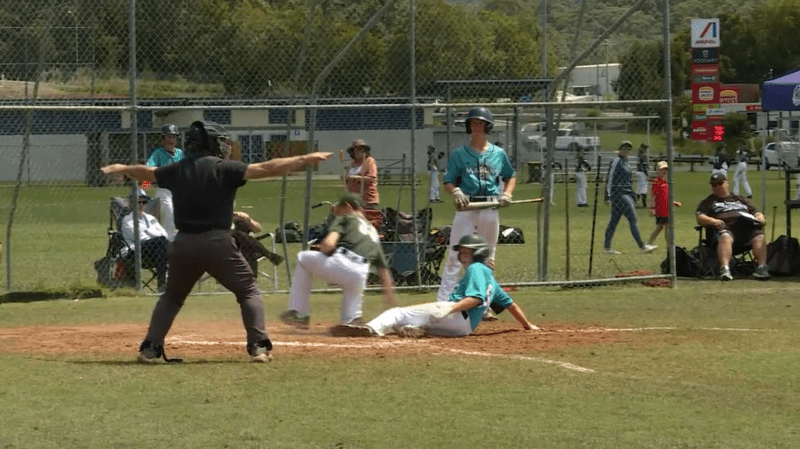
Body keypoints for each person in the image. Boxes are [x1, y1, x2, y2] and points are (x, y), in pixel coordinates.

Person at [101, 120, 332, 363]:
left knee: (171, 297)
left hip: (183, 243)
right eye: (220, 142)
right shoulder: (224, 168)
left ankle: (150, 349)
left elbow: (147, 173)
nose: (225, 146)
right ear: (210, 143)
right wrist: (304, 159)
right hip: (217, 243)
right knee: (248, 291)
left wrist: (121, 168)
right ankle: (258, 346)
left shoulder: (178, 168)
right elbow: (265, 168)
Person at [329, 234, 539, 338]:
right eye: (461, 250)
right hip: (463, 329)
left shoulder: (476, 269)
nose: (461, 254)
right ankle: (414, 330)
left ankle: (370, 329)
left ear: (478, 253)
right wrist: (528, 325)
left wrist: (450, 308)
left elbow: (474, 299)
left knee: (397, 312)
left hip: (457, 315)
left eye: (466, 250)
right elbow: (511, 305)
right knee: (413, 323)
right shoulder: (490, 280)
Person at [279, 193, 396, 328]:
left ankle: (299, 314)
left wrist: (324, 249)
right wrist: (390, 298)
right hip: (360, 274)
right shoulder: (373, 232)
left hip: (342, 263)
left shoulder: (346, 218)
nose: (337, 213)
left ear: (347, 206)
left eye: (338, 209)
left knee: (303, 258)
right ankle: (353, 319)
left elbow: (329, 244)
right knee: (350, 321)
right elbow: (383, 270)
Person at [437, 106, 516, 303]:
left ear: (488, 126)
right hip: (467, 208)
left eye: (480, 123)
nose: (476, 126)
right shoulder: (459, 154)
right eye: (473, 123)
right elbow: (448, 181)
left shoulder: (498, 153)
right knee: (455, 254)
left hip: (490, 207)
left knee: (487, 257)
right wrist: (455, 191)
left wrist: (506, 193)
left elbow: (511, 176)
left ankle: (485, 303)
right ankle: (444, 302)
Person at [696, 173, 770, 281]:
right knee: (725, 235)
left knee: (759, 235)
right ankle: (725, 269)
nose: (718, 187)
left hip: (746, 231)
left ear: (727, 183)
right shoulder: (709, 202)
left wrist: (759, 217)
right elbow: (700, 217)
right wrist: (713, 221)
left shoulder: (740, 199)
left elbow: (756, 212)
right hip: (725, 231)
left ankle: (762, 268)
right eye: (714, 185)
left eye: (720, 183)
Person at [603, 141, 657, 255]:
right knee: (632, 218)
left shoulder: (626, 162)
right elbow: (610, 178)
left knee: (613, 221)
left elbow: (628, 180)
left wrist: (632, 194)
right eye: (624, 148)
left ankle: (607, 247)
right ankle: (642, 246)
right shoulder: (616, 161)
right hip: (619, 194)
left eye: (628, 149)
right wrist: (607, 195)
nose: (626, 151)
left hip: (627, 193)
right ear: (620, 149)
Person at [121, 191, 169, 291]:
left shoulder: (151, 218)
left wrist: (149, 233)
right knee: (161, 242)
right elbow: (140, 238)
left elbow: (165, 234)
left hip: (154, 251)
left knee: (160, 251)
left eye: (144, 202)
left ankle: (162, 286)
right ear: (131, 204)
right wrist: (155, 235)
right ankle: (164, 283)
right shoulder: (127, 220)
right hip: (135, 251)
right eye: (139, 202)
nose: (141, 205)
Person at [147, 124, 184, 241]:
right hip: (164, 190)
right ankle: (167, 243)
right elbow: (149, 167)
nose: (171, 140)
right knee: (169, 214)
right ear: (163, 139)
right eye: (168, 137)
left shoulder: (180, 153)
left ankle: (179, 240)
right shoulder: (158, 153)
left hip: (178, 191)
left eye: (173, 137)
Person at [647, 161, 682, 246]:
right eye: (662, 169)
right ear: (658, 170)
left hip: (666, 209)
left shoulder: (665, 182)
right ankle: (670, 245)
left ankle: (649, 243)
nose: (664, 171)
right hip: (660, 209)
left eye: (665, 169)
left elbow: (666, 197)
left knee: (660, 228)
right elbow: (653, 196)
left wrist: (674, 202)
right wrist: (652, 208)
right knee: (666, 227)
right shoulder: (656, 182)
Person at [344, 139, 379, 209]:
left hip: (367, 199)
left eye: (360, 149)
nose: (358, 152)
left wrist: (356, 178)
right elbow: (346, 177)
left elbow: (372, 178)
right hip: (354, 198)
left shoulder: (369, 161)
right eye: (355, 150)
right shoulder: (352, 163)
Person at [635, 143, 650, 208]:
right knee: (644, 188)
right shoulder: (643, 155)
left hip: (638, 172)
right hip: (642, 172)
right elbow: (644, 166)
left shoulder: (639, 154)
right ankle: (644, 204)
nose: (646, 150)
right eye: (645, 148)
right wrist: (647, 174)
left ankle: (637, 202)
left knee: (639, 188)